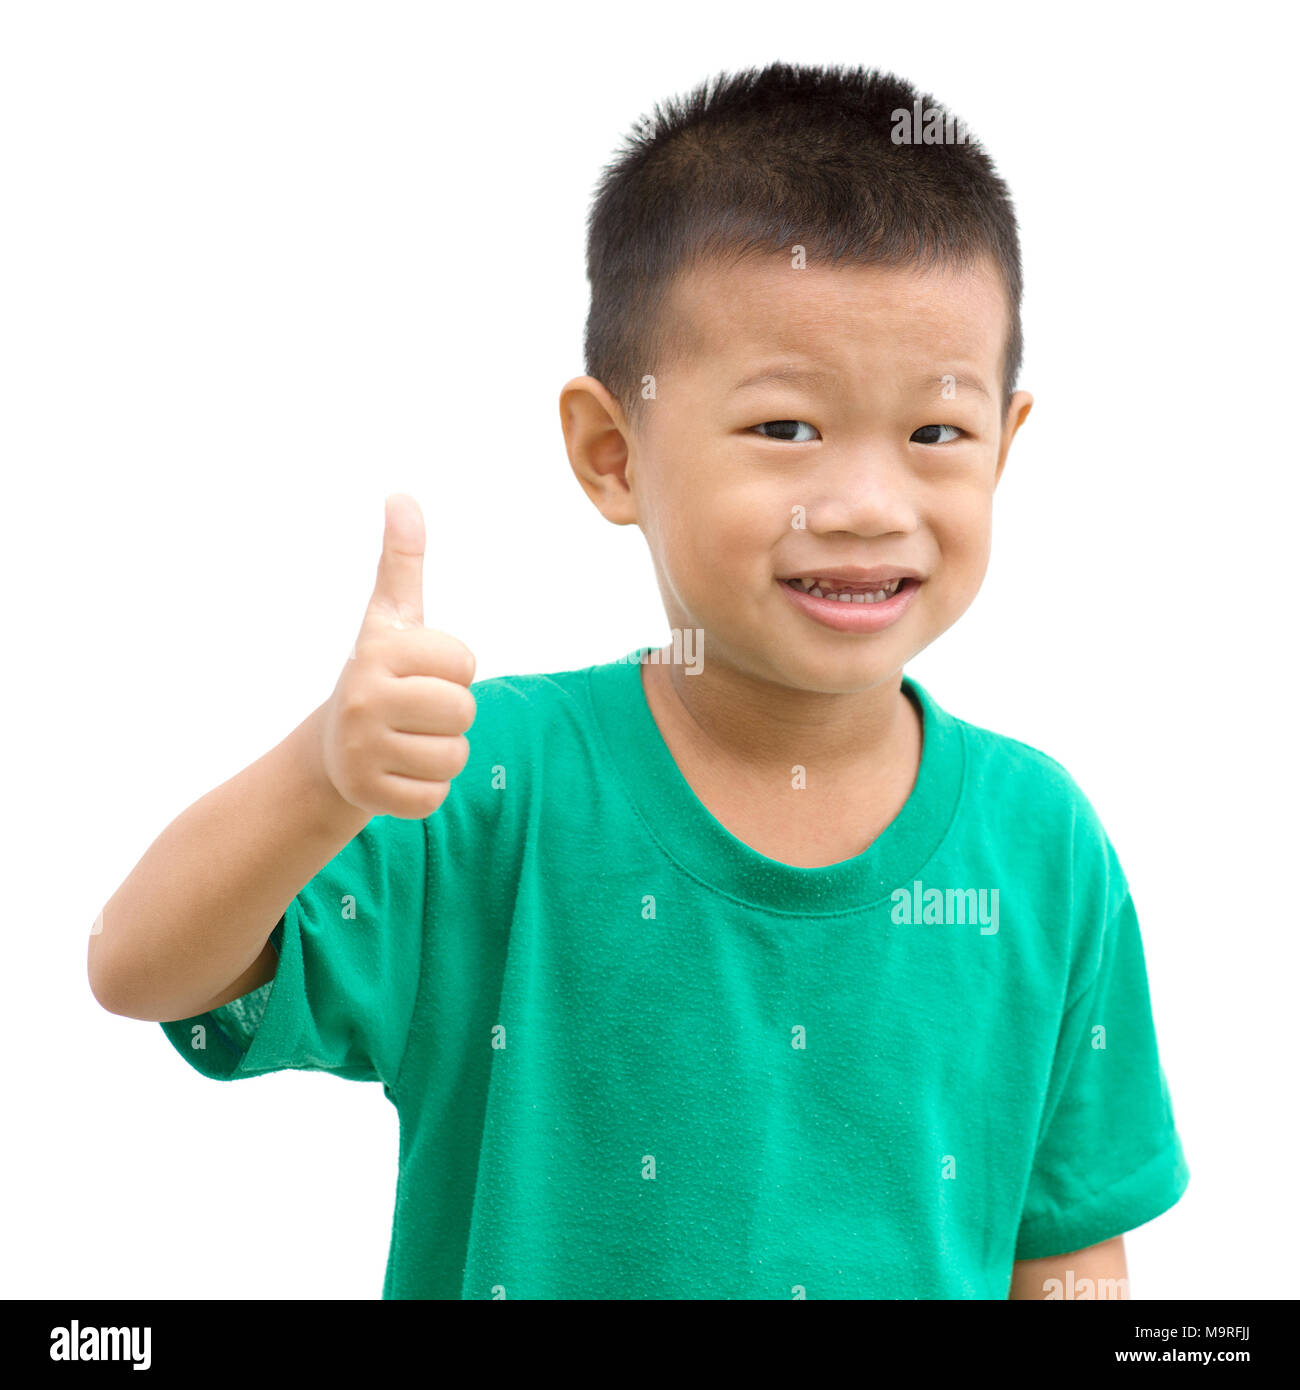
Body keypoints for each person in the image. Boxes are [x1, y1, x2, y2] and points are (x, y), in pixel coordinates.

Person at [90, 62, 1188, 1300]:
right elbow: (141, 969)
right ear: (613, 453)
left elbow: (1070, 1243)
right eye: (785, 428)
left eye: (936, 433)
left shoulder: (1042, 844)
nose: (867, 505)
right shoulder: (491, 785)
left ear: (1005, 443)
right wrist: (321, 776)